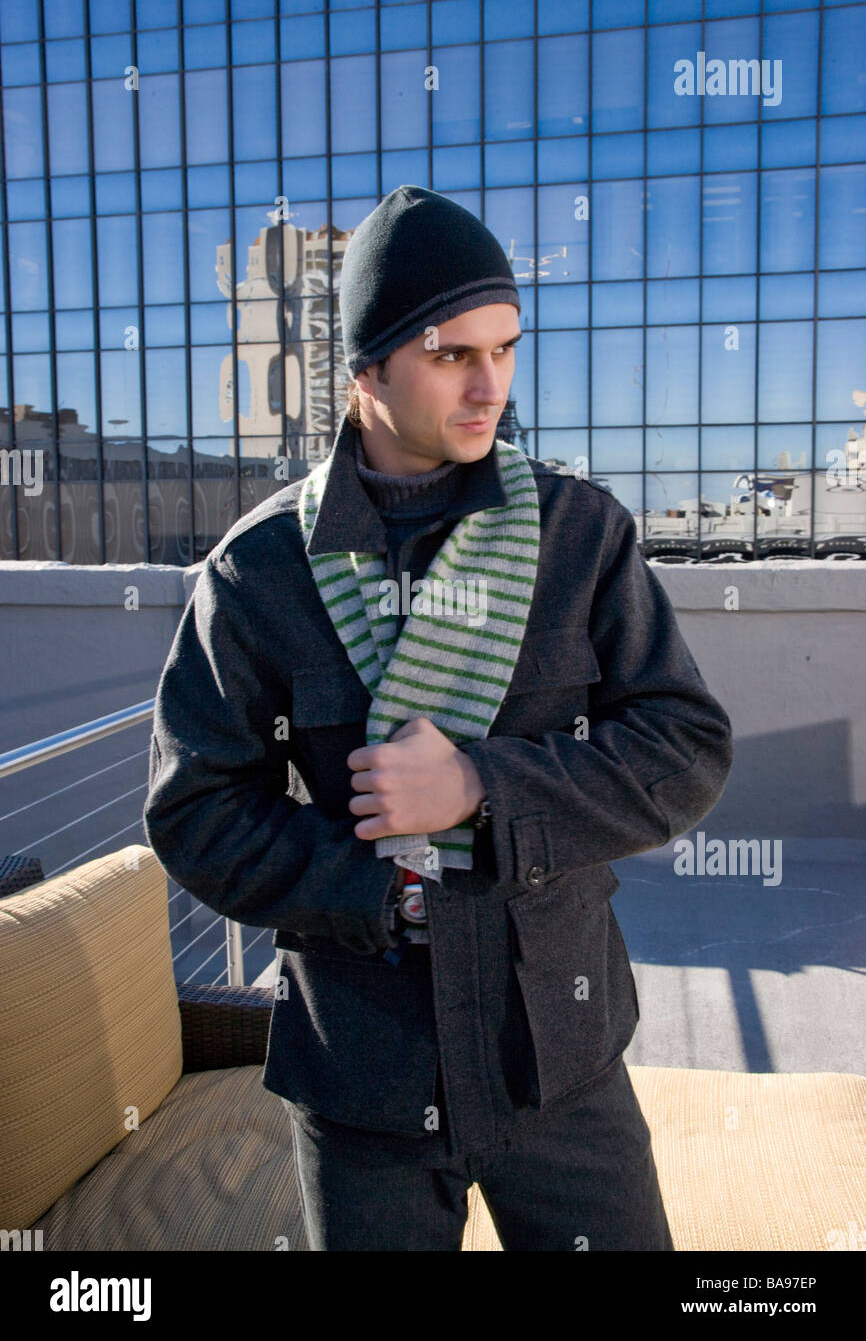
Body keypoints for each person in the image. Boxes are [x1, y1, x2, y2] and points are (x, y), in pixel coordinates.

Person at [143, 184, 734, 1251]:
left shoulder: (578, 537)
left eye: (504, 348)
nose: (491, 384)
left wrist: (481, 786)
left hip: (555, 1056)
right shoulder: (259, 572)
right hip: (366, 1080)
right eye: (450, 353)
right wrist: (371, 878)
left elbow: (683, 750)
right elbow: (195, 809)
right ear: (365, 367)